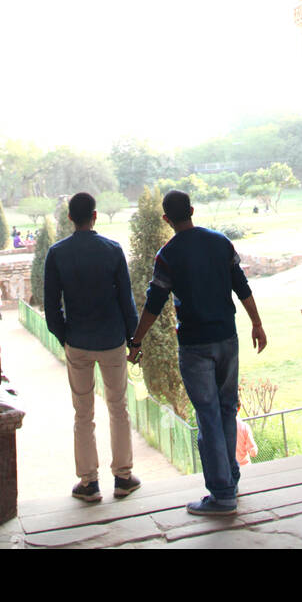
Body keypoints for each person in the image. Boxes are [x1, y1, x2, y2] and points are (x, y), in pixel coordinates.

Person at [127, 189, 267, 515]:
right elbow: (242, 286)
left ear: (166, 219)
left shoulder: (168, 255)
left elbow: (154, 303)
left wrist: (136, 341)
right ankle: (230, 479)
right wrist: (257, 324)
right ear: (192, 210)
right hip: (227, 339)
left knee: (208, 416)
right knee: (226, 410)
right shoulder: (221, 243)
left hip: (194, 345)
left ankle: (221, 495)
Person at [44, 191, 140, 504]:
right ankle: (123, 477)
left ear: (70, 218)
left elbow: (51, 306)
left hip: (79, 341)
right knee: (118, 408)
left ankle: (89, 482)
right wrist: (133, 340)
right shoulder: (112, 250)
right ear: (95, 216)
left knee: (82, 414)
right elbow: (126, 301)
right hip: (111, 340)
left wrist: (64, 337)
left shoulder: (57, 254)